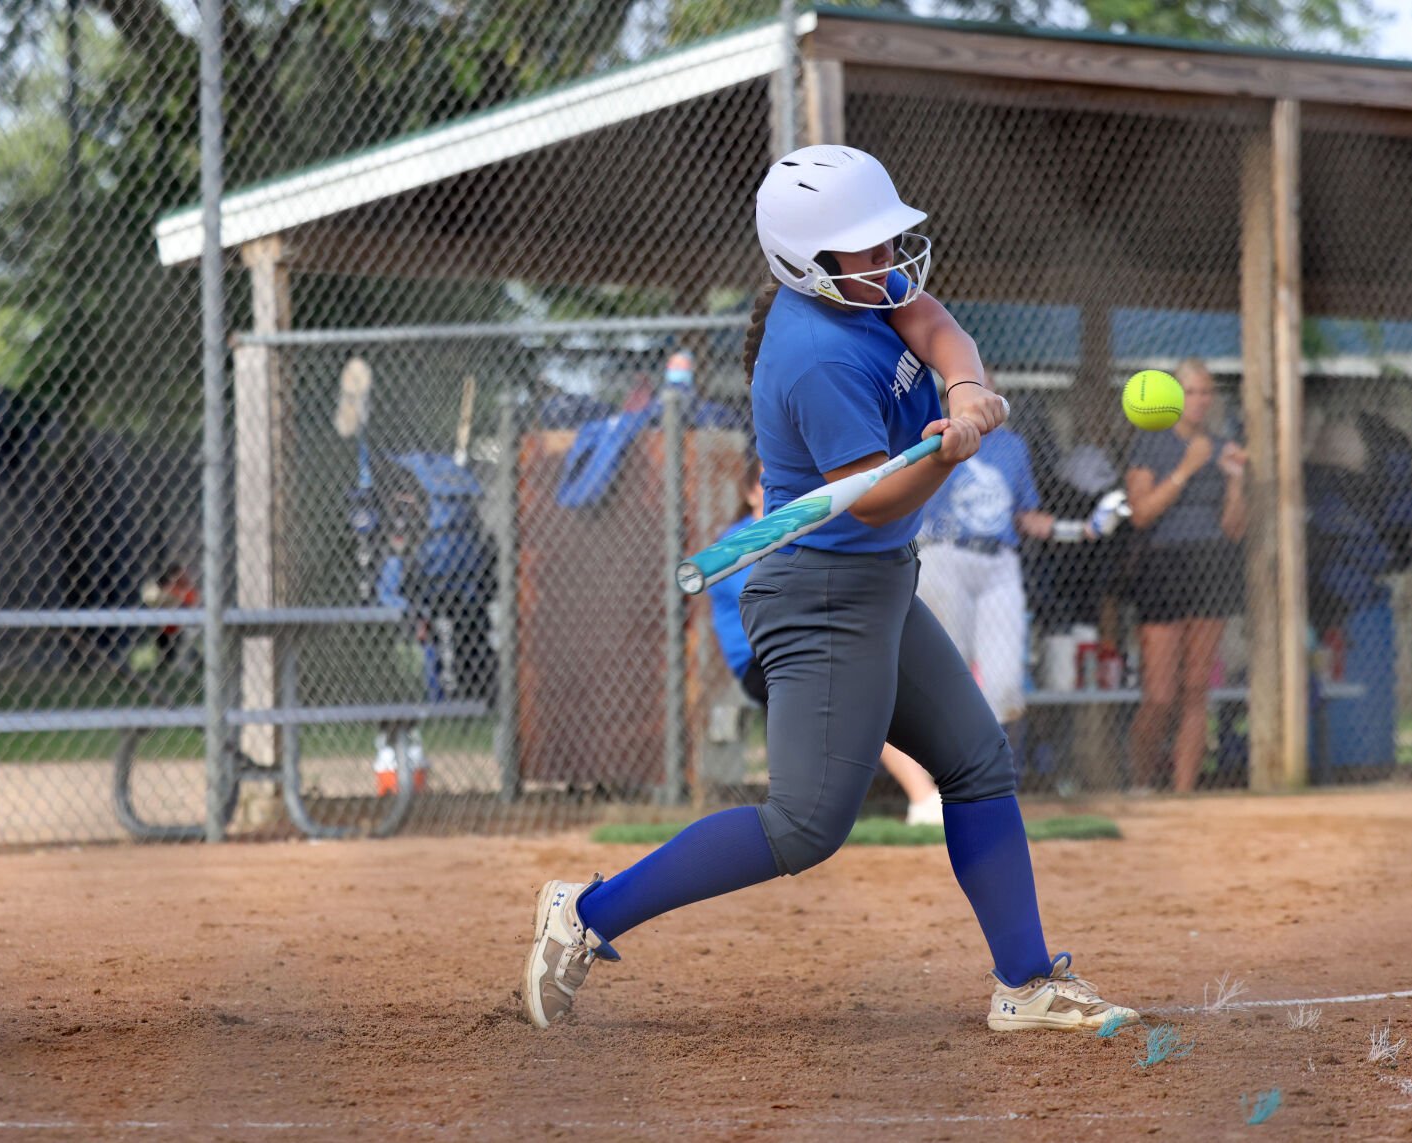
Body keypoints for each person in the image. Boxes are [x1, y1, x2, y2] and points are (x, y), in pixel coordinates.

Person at [524, 144, 1137, 1035]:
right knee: (806, 824)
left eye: (890, 240)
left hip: (878, 579)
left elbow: (934, 323)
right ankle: (583, 914)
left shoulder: (868, 291)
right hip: (821, 595)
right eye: (868, 247)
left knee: (974, 761)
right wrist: (943, 454)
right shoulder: (812, 355)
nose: (889, 259)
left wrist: (964, 391)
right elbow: (880, 494)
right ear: (807, 264)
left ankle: (1026, 981)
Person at [710, 458, 946, 826]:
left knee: (866, 692)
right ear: (749, 492)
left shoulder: (801, 532)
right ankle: (923, 798)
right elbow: (778, 603)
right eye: (764, 483)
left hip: (811, 645)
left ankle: (920, 797)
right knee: (856, 698)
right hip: (763, 659)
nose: (775, 491)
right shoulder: (740, 541)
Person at [913, 424, 1125, 737]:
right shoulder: (930, 435)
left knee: (1005, 681)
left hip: (999, 560)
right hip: (944, 555)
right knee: (946, 673)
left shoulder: (1013, 445)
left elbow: (1025, 516)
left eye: (984, 377)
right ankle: (935, 779)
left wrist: (1084, 529)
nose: (981, 385)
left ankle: (986, 773)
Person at [1122, 359, 1247, 793]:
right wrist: (1188, 469)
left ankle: (1184, 793)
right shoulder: (1152, 443)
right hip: (1163, 564)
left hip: (1210, 563)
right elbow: (1140, 514)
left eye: (1206, 392)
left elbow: (1234, 528)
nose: (1199, 401)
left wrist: (1234, 482)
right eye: (1190, 392)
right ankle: (1141, 782)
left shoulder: (1221, 445)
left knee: (1196, 688)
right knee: (1160, 694)